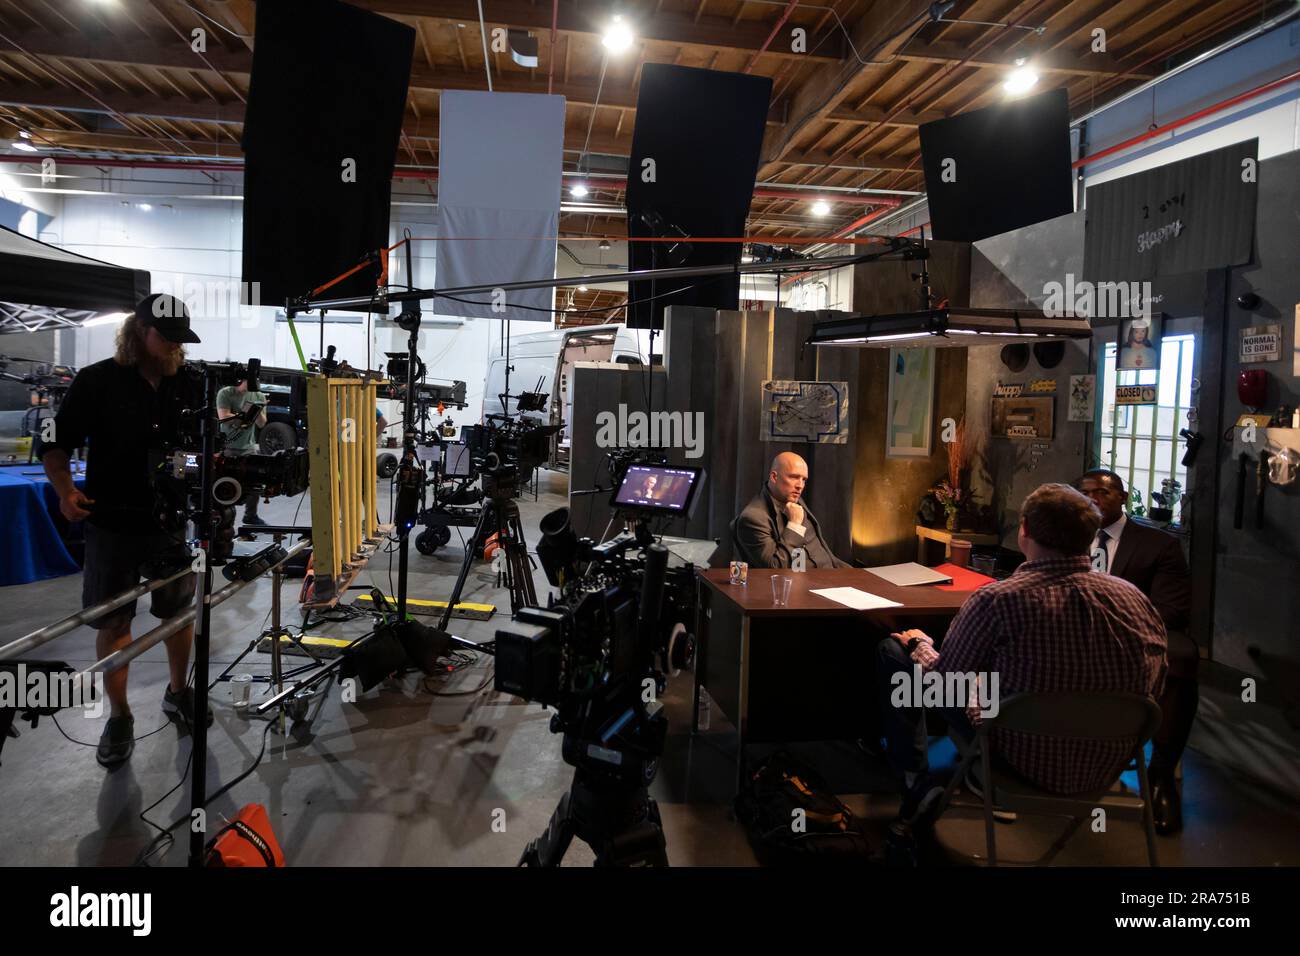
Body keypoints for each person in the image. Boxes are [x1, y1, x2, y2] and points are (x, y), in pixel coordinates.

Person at [875, 483, 1167, 828]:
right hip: (1104, 767)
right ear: (1089, 537)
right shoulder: (1134, 599)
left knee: (894, 654)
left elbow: (944, 680)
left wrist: (918, 644)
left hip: (1017, 759)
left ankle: (915, 775)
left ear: (1024, 531)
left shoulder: (998, 600)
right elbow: (1157, 681)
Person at [40, 293, 211, 769]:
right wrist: (63, 489)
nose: (174, 348)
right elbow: (53, 440)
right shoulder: (96, 381)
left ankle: (179, 691)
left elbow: (203, 450)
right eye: (165, 338)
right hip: (112, 522)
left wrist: (191, 467)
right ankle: (119, 716)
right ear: (138, 331)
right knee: (114, 620)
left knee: (178, 615)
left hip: (170, 522)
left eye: (181, 341)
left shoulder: (192, 383)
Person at [1077, 468, 1195, 834]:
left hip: (1131, 634)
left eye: (1103, 493)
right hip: (1070, 629)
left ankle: (1161, 775)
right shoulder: (1066, 536)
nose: (1094, 500)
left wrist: (1113, 628)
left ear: (1123, 497)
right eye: (1086, 494)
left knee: (1181, 658)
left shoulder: (1157, 545)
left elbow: (1171, 610)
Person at [734, 451, 847, 568]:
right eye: (794, 477)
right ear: (774, 477)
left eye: (804, 479)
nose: (800, 486)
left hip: (836, 572)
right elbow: (776, 567)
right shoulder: (753, 518)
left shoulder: (791, 497)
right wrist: (794, 525)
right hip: (810, 582)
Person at [216, 376, 269, 527]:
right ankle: (225, 517)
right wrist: (245, 416)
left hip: (248, 446)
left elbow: (262, 423)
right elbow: (223, 416)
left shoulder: (258, 396)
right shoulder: (226, 393)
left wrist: (257, 410)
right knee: (227, 482)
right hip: (228, 446)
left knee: (255, 482)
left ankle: (250, 515)